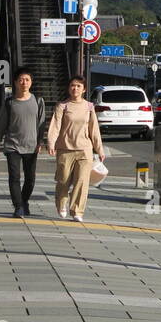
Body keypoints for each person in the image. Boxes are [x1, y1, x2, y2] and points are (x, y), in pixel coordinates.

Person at [45, 76, 102, 223]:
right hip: (65, 149)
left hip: (84, 150)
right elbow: (55, 126)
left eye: (78, 86)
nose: (75, 88)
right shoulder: (62, 106)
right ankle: (61, 203)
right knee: (63, 180)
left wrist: (99, 149)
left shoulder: (89, 107)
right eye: (72, 86)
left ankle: (77, 210)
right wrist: (51, 143)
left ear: (83, 89)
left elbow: (94, 130)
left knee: (81, 181)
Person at [0, 68, 46, 218]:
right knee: (14, 177)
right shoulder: (10, 103)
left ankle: (24, 201)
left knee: (30, 179)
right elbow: (1, 124)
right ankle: (18, 207)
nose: (24, 83)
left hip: (31, 145)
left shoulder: (38, 101)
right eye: (21, 80)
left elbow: (41, 123)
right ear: (15, 82)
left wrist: (40, 142)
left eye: (27, 80)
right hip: (12, 145)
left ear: (31, 82)